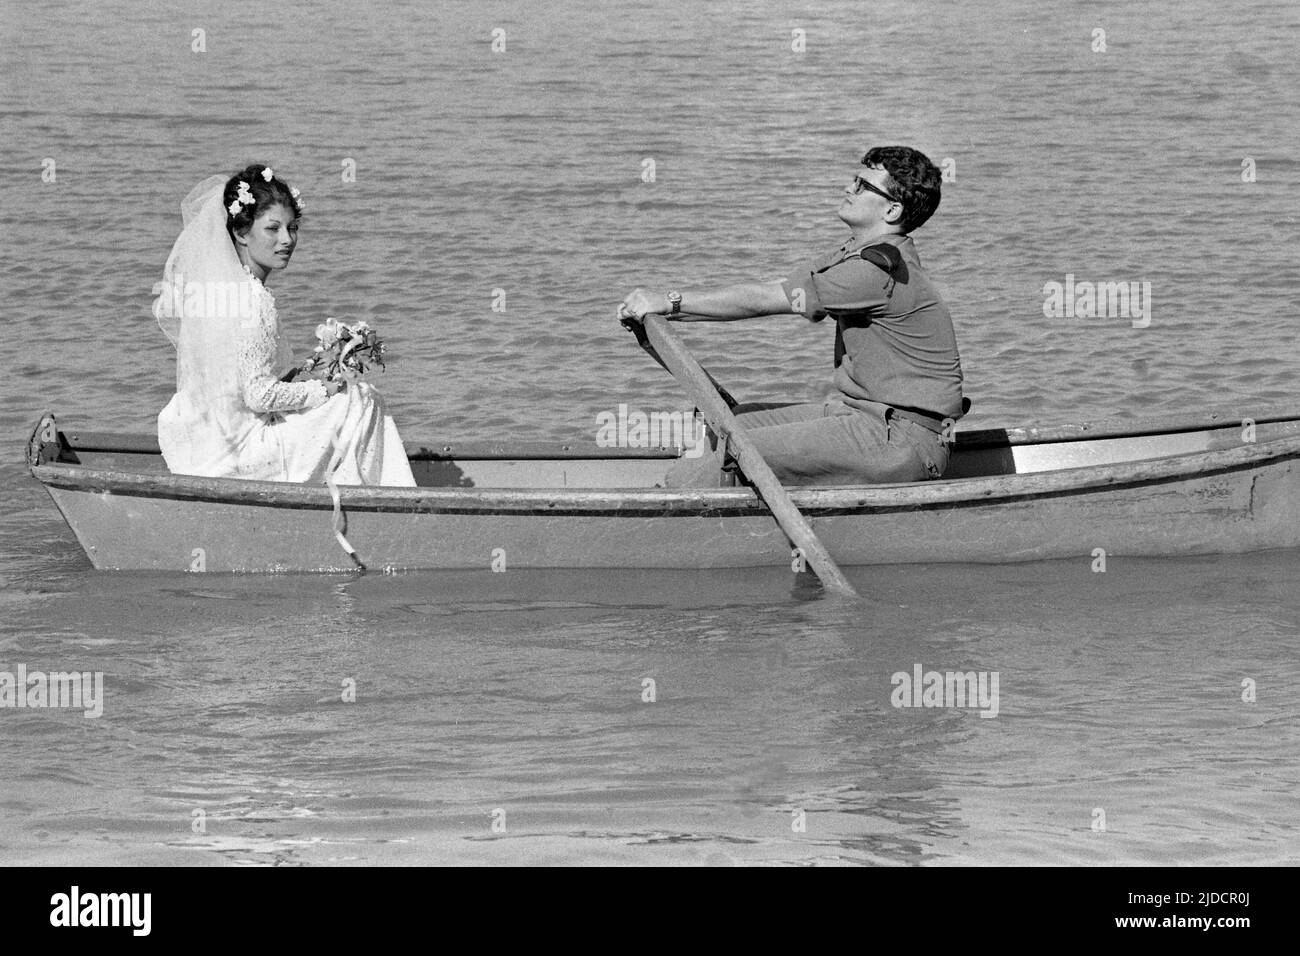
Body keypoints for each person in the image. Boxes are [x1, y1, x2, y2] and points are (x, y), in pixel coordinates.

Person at [618, 145, 963, 488]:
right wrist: (666, 312)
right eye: (853, 179)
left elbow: (768, 300)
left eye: (862, 185)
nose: (848, 188)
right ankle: (672, 496)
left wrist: (669, 301)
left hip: (903, 440)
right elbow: (775, 289)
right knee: (732, 424)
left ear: (891, 209)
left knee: (741, 449)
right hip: (861, 416)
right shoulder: (851, 255)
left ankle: (667, 516)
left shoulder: (877, 272)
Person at [154, 165, 416, 486]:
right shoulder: (253, 301)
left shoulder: (219, 293)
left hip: (206, 444)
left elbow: (240, 379)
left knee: (344, 396)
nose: (287, 240)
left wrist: (306, 374)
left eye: (292, 228)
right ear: (240, 233)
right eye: (273, 229)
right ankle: (366, 503)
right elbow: (259, 396)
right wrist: (325, 388)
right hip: (241, 455)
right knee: (362, 399)